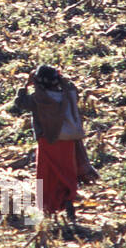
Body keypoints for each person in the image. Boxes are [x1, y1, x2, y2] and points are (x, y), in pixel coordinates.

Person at [14, 64, 98, 225]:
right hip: (69, 140)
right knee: (67, 171)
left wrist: (25, 85)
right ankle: (68, 200)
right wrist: (60, 78)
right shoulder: (69, 94)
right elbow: (70, 85)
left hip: (49, 141)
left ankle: (48, 208)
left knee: (48, 174)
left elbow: (19, 102)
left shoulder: (38, 99)